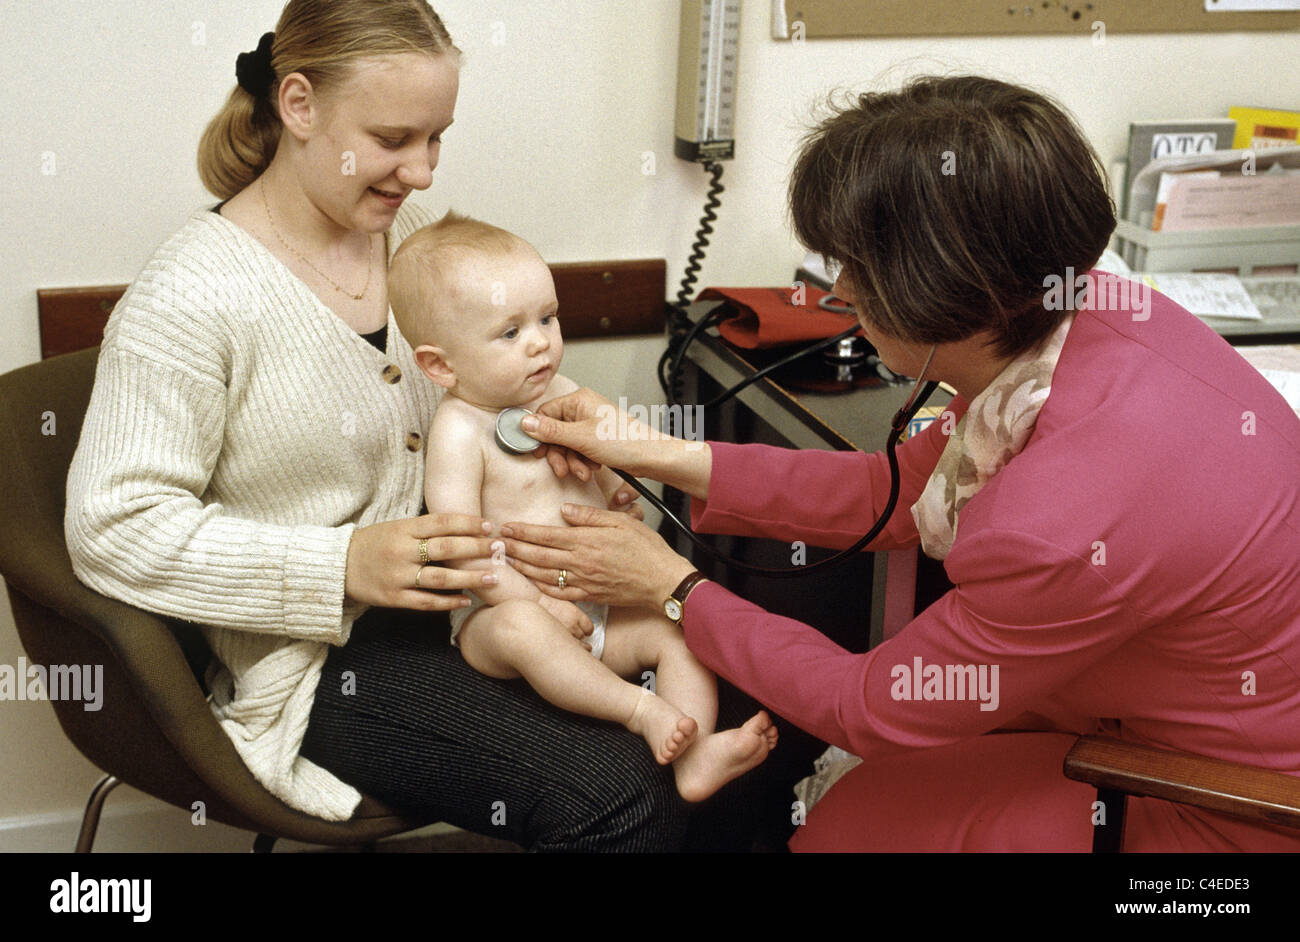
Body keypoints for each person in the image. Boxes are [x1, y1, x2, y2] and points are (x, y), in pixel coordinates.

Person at [497, 75, 1300, 852]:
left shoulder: (1060, 521)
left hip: (1224, 801)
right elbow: (901, 489)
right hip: (1146, 696)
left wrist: (672, 590)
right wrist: (651, 450)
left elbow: (866, 702)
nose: (838, 291)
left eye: (854, 268)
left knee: (843, 830)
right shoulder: (1092, 319)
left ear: (947, 291)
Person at [63, 0, 689, 851]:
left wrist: (570, 443)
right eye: (396, 139)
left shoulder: (414, 237)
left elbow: (490, 381)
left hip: (485, 607)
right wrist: (342, 564)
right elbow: (111, 528)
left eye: (438, 138)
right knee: (627, 795)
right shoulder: (190, 296)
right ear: (298, 105)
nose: (423, 172)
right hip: (332, 662)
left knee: (734, 699)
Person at [387, 213, 778, 801]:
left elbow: (603, 460)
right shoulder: (458, 433)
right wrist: (536, 600)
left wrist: (619, 494)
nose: (541, 341)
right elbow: (464, 548)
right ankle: (639, 711)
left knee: (679, 630)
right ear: (441, 365)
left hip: (600, 607)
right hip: (499, 618)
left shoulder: (562, 392)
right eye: (510, 332)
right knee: (519, 629)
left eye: (547, 317)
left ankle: (694, 756)